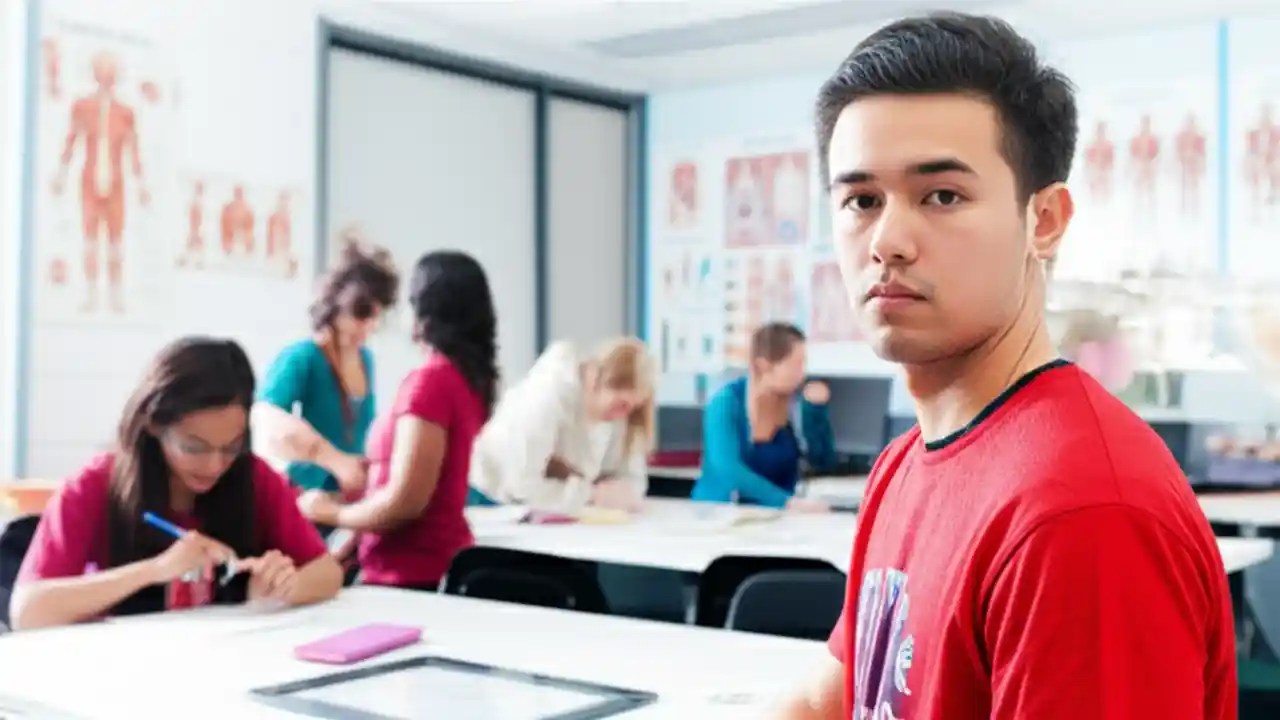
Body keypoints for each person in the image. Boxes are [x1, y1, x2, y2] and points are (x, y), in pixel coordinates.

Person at [775, 12, 1234, 719]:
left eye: (942, 196)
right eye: (862, 200)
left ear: (1043, 220)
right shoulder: (904, 466)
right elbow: (828, 701)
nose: (888, 240)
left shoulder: (1082, 515)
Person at [8, 338, 342, 630]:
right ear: (154, 426)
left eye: (231, 447)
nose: (214, 465)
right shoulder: (96, 485)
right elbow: (28, 612)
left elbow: (328, 573)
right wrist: (156, 569)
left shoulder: (253, 478)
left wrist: (282, 586)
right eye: (194, 447)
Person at [296, 250, 497, 591]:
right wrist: (356, 533)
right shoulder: (465, 379)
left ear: (423, 309)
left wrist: (330, 513)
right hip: (422, 566)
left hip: (409, 574)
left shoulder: (431, 382)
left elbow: (405, 503)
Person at [252, 235, 399, 508]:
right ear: (335, 302)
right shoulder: (302, 357)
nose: (369, 326)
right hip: (310, 499)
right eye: (362, 313)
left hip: (352, 501)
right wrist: (332, 459)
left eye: (377, 316)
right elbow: (265, 420)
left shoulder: (366, 360)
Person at [469, 338, 656, 513]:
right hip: (487, 498)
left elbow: (633, 481)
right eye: (621, 405)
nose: (621, 416)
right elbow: (522, 486)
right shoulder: (548, 395)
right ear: (598, 380)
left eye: (631, 408)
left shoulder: (610, 412)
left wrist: (617, 492)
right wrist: (591, 494)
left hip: (533, 507)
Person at [693, 323, 835, 511]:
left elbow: (823, 461)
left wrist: (816, 413)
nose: (802, 374)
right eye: (796, 364)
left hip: (774, 520)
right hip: (721, 515)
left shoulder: (795, 406)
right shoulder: (726, 402)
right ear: (763, 366)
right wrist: (786, 502)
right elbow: (727, 468)